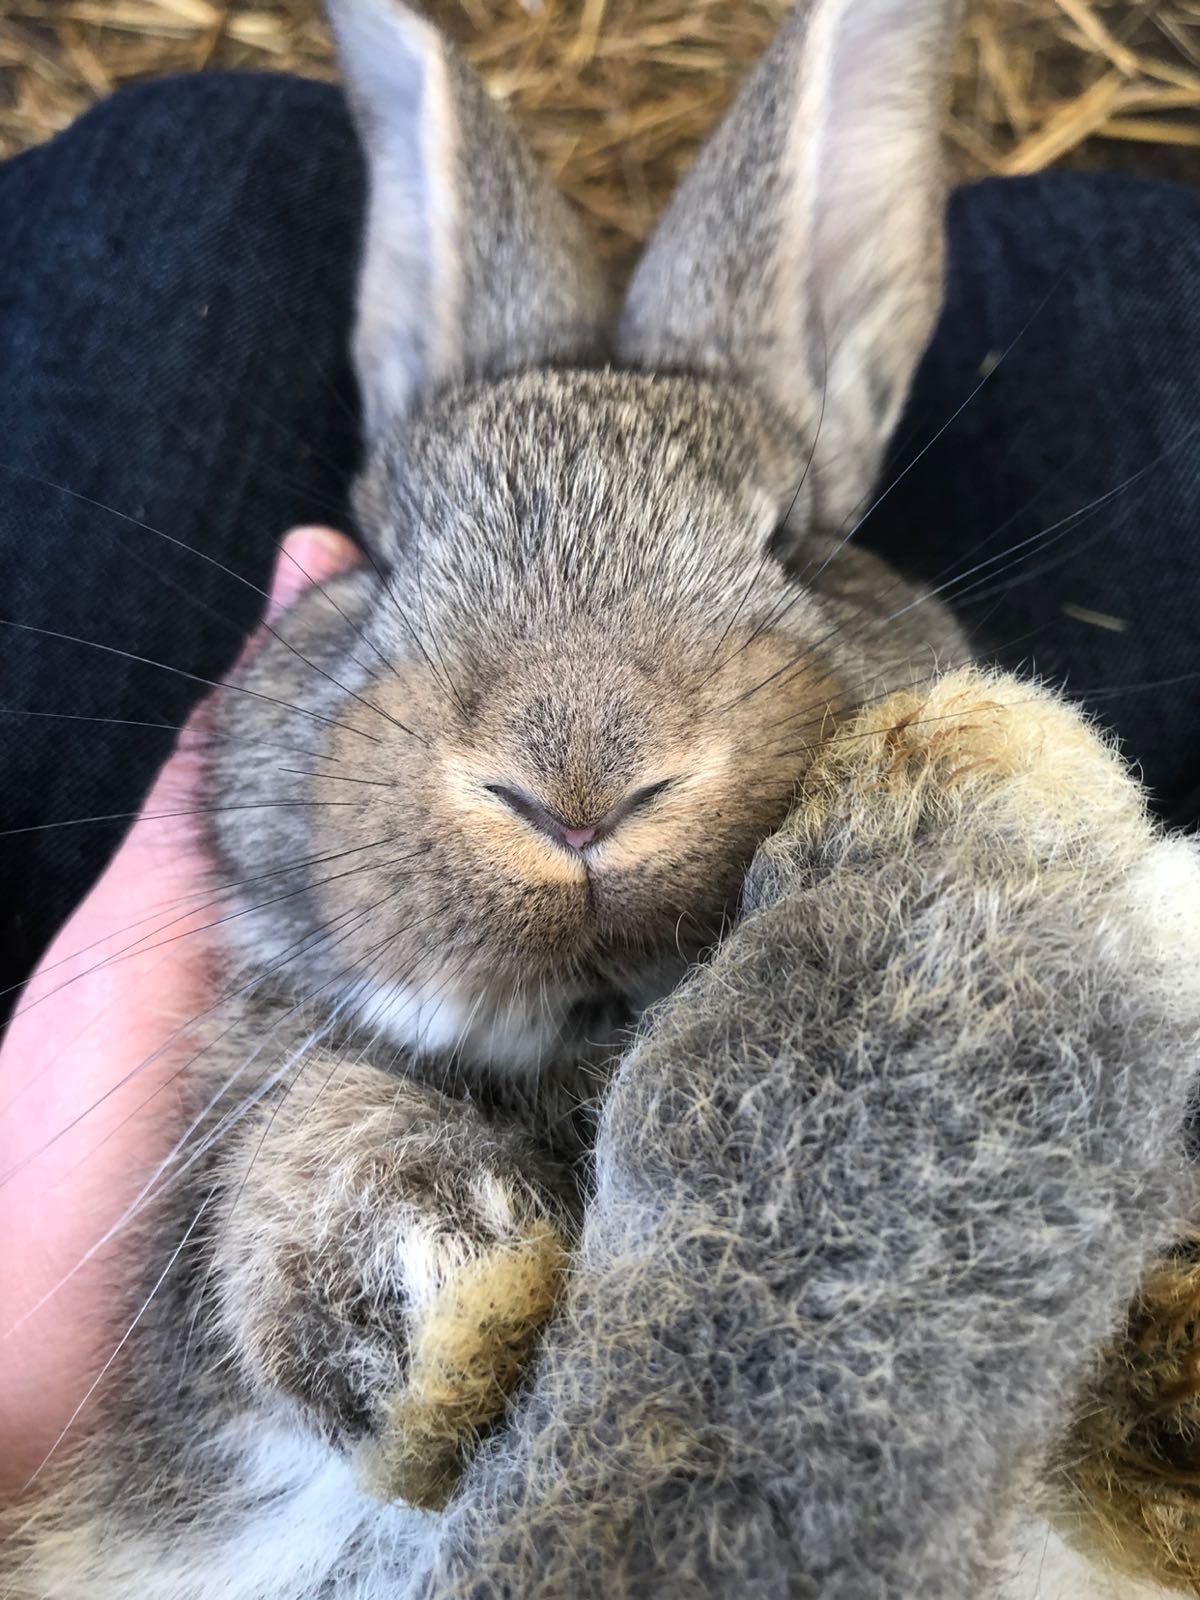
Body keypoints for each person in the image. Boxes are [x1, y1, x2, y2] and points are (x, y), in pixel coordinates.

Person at [0, 68, 1197, 1491]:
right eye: (392, 570)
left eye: (776, 552)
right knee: (1118, 269)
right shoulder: (308, 1018)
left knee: (220, 158)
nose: (580, 761)